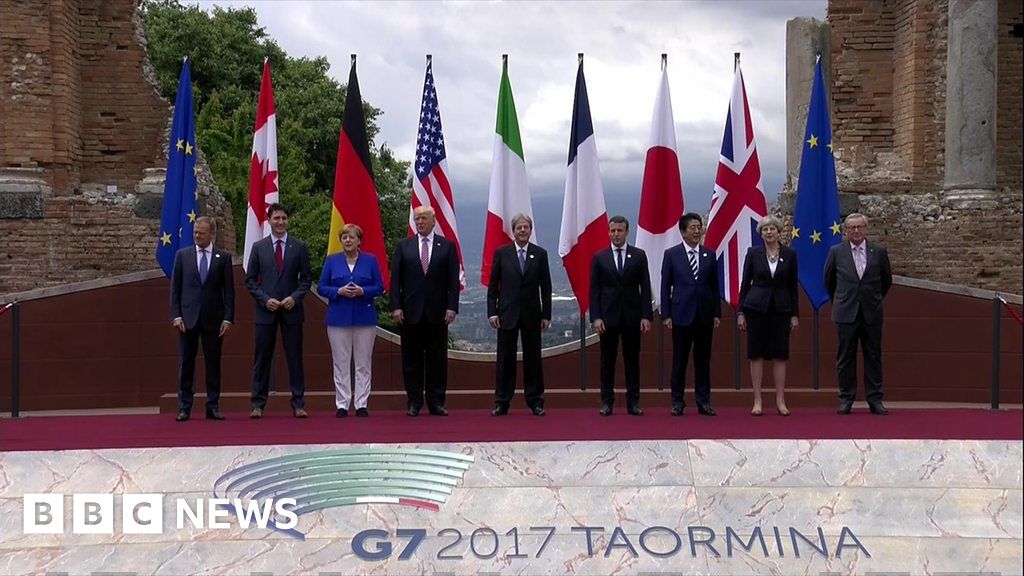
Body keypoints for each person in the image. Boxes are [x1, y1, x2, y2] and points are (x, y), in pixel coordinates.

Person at [390, 205, 460, 417]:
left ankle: (436, 402)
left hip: (437, 313)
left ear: (433, 220)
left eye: (423, 219)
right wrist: (396, 306)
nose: (419, 222)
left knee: (437, 360)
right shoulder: (404, 246)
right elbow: (396, 280)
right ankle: (414, 402)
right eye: (417, 219)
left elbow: (453, 282)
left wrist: (451, 307)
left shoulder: (447, 246)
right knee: (411, 360)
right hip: (410, 312)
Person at [245, 203, 313, 419]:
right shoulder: (259, 247)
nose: (281, 222)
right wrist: (266, 300)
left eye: (284, 218)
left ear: (288, 220)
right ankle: (257, 404)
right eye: (277, 218)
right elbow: (250, 281)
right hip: (266, 312)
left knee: (295, 358)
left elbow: (307, 279)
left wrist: (294, 298)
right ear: (269, 220)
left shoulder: (299, 246)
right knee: (262, 358)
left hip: (292, 311)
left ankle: (298, 404)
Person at [824, 213, 893, 415]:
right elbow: (829, 282)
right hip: (846, 312)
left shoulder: (878, 252)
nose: (856, 231)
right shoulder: (836, 252)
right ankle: (846, 398)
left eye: (859, 227)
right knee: (845, 357)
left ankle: (875, 399)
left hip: (871, 312)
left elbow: (886, 280)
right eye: (852, 228)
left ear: (866, 229)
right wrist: (843, 300)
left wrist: (873, 299)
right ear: (846, 231)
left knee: (873, 356)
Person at [487, 214, 552, 417]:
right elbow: (493, 286)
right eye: (518, 228)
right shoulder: (502, 253)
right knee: (505, 359)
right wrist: (492, 312)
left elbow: (546, 287)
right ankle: (502, 402)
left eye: (525, 227)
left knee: (533, 359)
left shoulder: (540, 254)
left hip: (532, 314)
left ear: (531, 230)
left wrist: (546, 315)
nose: (522, 231)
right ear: (513, 231)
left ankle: (535, 402)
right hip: (507, 314)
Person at [169, 216, 234, 422]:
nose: (197, 235)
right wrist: (176, 315)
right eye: (195, 232)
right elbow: (175, 290)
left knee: (213, 364)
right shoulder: (183, 256)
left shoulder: (222, 258)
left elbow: (229, 292)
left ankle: (212, 405)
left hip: (213, 320)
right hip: (187, 319)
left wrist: (228, 319)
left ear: (212, 234)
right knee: (186, 363)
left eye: (201, 233)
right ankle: (184, 406)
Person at [317, 224, 384, 418]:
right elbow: (322, 287)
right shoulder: (332, 261)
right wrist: (338, 291)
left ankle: (361, 403)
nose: (347, 240)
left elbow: (379, 286)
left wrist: (364, 291)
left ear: (359, 240)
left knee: (363, 363)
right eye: (344, 237)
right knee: (341, 362)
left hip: (364, 317)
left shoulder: (370, 260)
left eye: (351, 237)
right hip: (338, 318)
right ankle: (342, 404)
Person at [589, 215, 653, 416]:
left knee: (632, 361)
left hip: (632, 317)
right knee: (607, 362)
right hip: (608, 318)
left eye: (619, 230)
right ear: (609, 232)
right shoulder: (600, 257)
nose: (616, 234)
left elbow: (645, 286)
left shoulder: (639, 255)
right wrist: (596, 317)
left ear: (627, 232)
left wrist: (646, 316)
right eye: (613, 231)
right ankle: (606, 402)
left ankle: (633, 402)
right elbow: (594, 290)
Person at [737, 215, 799, 417]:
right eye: (765, 230)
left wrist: (794, 315)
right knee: (756, 354)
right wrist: (741, 312)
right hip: (756, 309)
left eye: (772, 229)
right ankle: (758, 399)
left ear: (778, 231)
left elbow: (792, 288)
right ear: (761, 234)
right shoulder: (753, 253)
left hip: (781, 310)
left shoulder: (790, 254)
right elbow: (745, 284)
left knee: (780, 354)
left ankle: (780, 400)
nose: (769, 232)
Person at [661, 212, 722, 416]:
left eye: (699, 227)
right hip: (681, 314)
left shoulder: (709, 255)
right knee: (680, 359)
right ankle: (677, 401)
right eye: (692, 228)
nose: (697, 231)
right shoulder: (672, 255)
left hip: (704, 315)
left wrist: (716, 313)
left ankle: (703, 401)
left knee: (703, 360)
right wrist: (666, 315)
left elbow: (715, 287)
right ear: (683, 232)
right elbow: (665, 286)